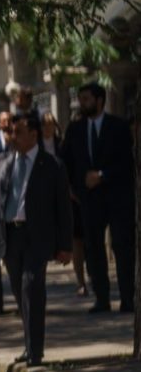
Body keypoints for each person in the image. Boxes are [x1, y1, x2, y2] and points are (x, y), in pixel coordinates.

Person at [0, 109, 74, 365]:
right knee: (20, 293)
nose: (11, 136)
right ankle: (28, 345)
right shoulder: (1, 162)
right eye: (10, 131)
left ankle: (35, 351)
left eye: (17, 131)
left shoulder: (52, 165)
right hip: (9, 236)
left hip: (38, 238)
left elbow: (63, 209)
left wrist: (65, 246)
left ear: (33, 134)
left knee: (32, 287)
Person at [62, 83, 135, 313]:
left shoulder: (119, 127)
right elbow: (66, 161)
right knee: (93, 249)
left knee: (123, 248)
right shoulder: (74, 129)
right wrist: (71, 187)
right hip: (88, 200)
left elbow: (127, 161)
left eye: (86, 99)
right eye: (80, 98)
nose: (82, 103)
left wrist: (102, 176)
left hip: (117, 197)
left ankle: (127, 299)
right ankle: (101, 299)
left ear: (99, 100)